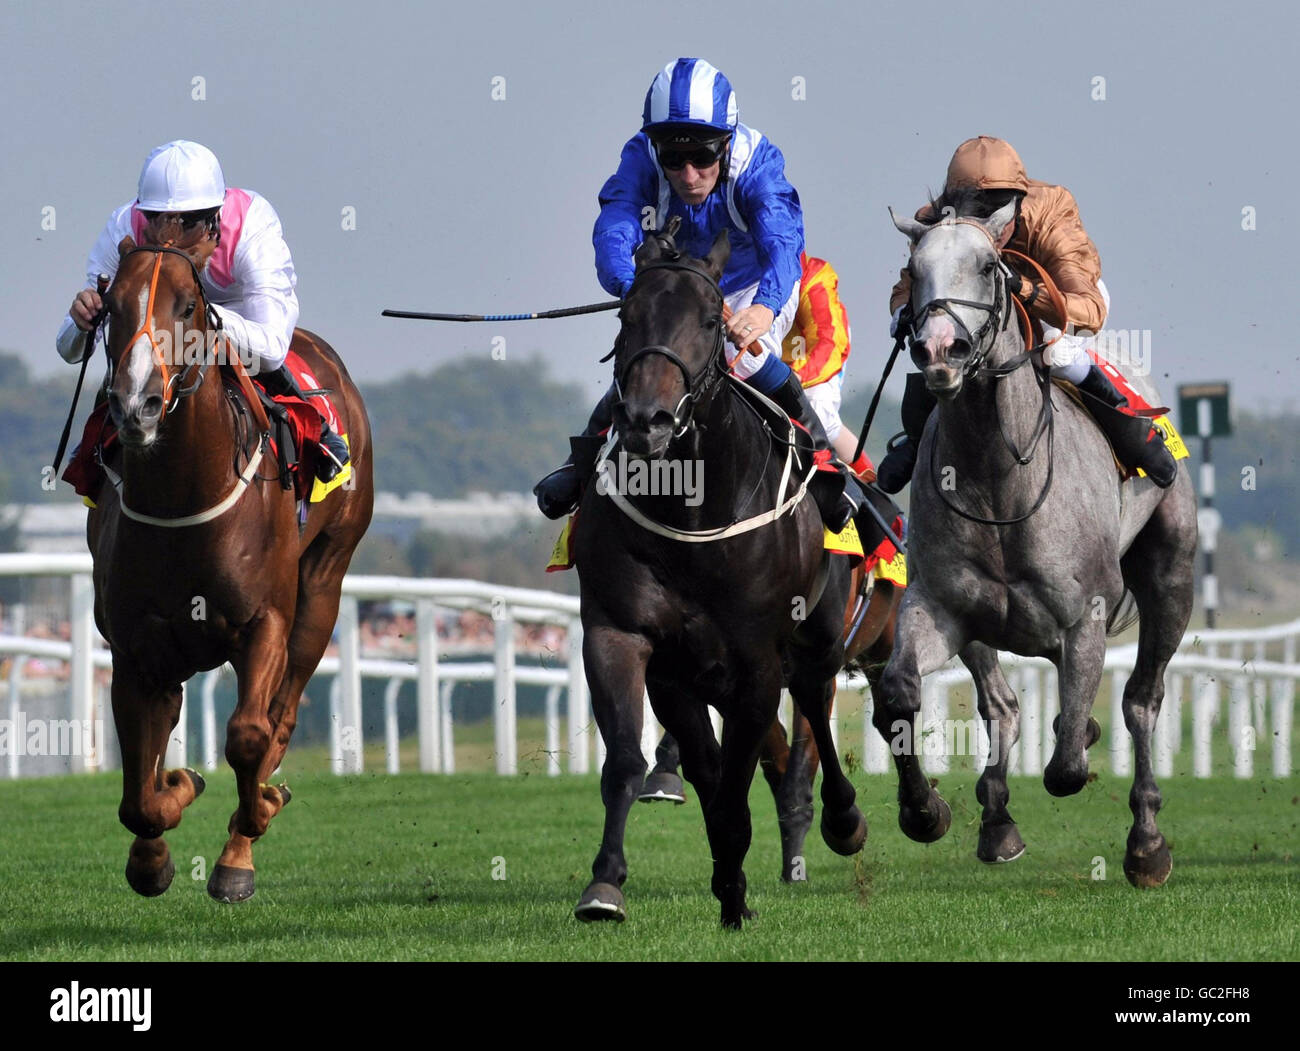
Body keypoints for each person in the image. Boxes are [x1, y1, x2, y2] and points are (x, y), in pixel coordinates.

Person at [534, 58, 864, 531]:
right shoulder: (641, 155)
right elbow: (616, 221)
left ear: (726, 144)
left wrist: (766, 309)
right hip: (682, 284)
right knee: (654, 351)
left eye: (703, 158)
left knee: (738, 354)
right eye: (674, 159)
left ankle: (825, 465)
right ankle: (581, 463)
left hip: (757, 281)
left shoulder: (757, 165)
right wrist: (629, 287)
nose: (688, 175)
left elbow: (784, 247)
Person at [876, 135, 1176, 492]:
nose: (988, 220)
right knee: (941, 337)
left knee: (1056, 350)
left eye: (998, 207)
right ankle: (918, 435)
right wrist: (905, 314)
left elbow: (1088, 308)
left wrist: (1026, 290)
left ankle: (1133, 434)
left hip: (1057, 298)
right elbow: (906, 288)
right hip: (981, 308)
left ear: (1018, 200)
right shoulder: (937, 221)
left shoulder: (1051, 209)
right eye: (974, 206)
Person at [57, 139, 348, 480]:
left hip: (236, 318)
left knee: (259, 364)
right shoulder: (124, 227)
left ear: (214, 219)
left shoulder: (251, 226)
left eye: (188, 221)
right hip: (164, 327)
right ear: (142, 212)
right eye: (157, 218)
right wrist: (81, 323)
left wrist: (201, 314)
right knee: (128, 355)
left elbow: (270, 351)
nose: (170, 233)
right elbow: (71, 351)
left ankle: (318, 434)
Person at [781, 252, 873, 479]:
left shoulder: (811, 276)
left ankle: (871, 497)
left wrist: (796, 376)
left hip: (805, 353)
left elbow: (828, 341)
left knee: (816, 409)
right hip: (763, 356)